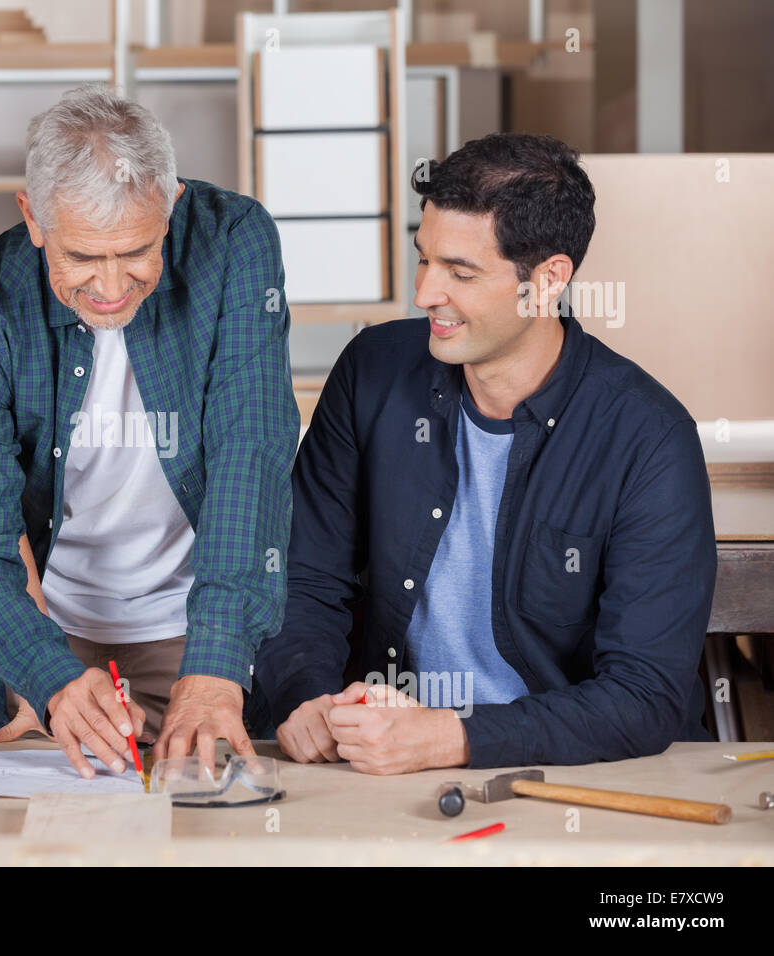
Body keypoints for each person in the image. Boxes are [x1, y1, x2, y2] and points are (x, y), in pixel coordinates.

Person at [255, 132, 716, 772]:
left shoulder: (648, 437)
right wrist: (303, 696)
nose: (424, 294)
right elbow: (303, 575)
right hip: (377, 766)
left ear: (547, 280)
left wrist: (450, 737)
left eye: (460, 272)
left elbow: (645, 695)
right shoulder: (373, 371)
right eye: (424, 259)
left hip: (570, 773)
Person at [0, 85, 299, 778]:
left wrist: (216, 662)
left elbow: (252, 452)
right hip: (46, 624)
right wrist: (46, 674)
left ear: (172, 204)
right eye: (82, 259)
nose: (110, 287)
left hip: (198, 617)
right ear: (32, 218)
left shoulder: (236, 241)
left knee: (212, 820)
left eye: (135, 252)